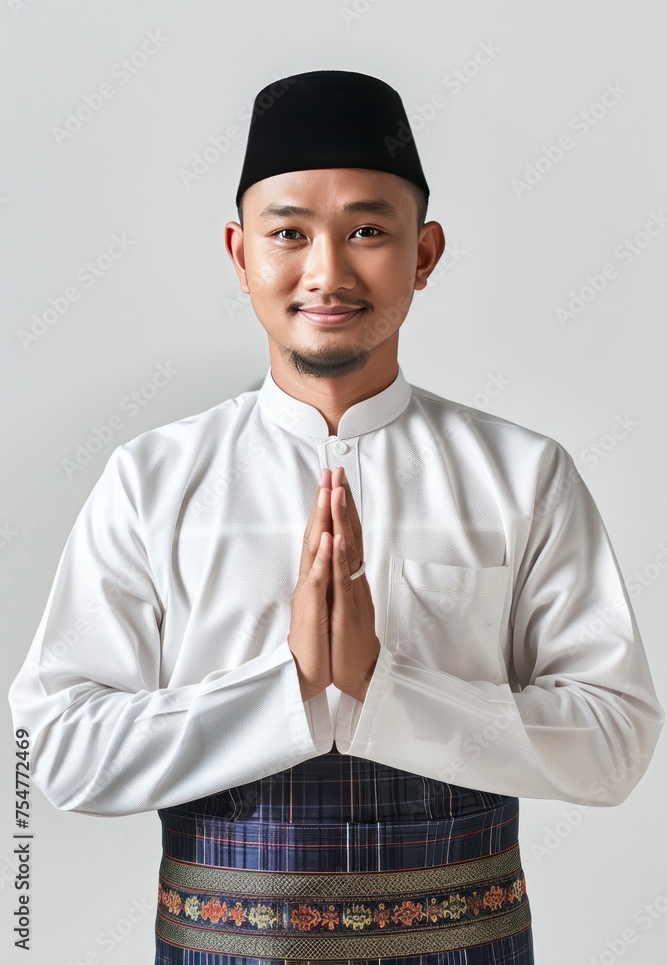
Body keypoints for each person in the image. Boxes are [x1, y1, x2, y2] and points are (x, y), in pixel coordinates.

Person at [8, 70, 664, 965]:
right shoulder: (154, 478)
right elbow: (59, 751)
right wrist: (286, 689)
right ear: (240, 255)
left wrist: (383, 690)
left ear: (424, 253)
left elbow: (615, 742)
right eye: (288, 233)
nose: (326, 271)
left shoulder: (522, 475)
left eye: (366, 231)